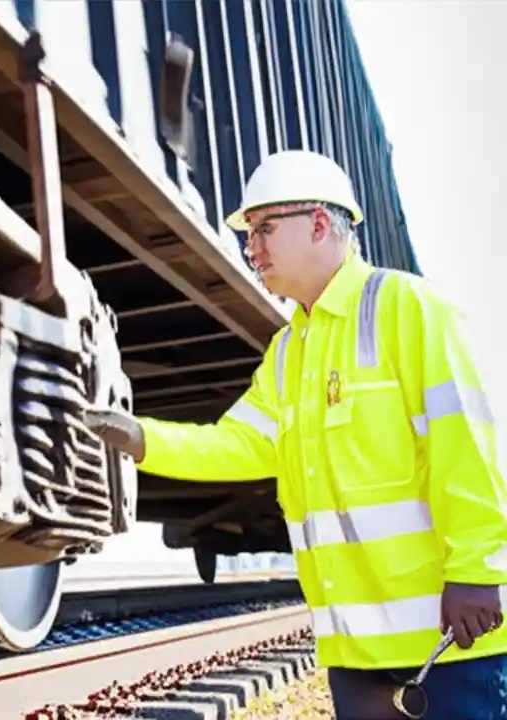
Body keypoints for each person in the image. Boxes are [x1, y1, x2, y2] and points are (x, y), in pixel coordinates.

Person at [82, 149, 507, 718]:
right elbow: (237, 444)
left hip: (448, 642)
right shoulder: (288, 352)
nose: (251, 248)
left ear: (320, 223)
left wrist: (477, 572)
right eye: (250, 234)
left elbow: (463, 442)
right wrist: (141, 439)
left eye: (263, 228)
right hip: (355, 654)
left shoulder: (406, 307)